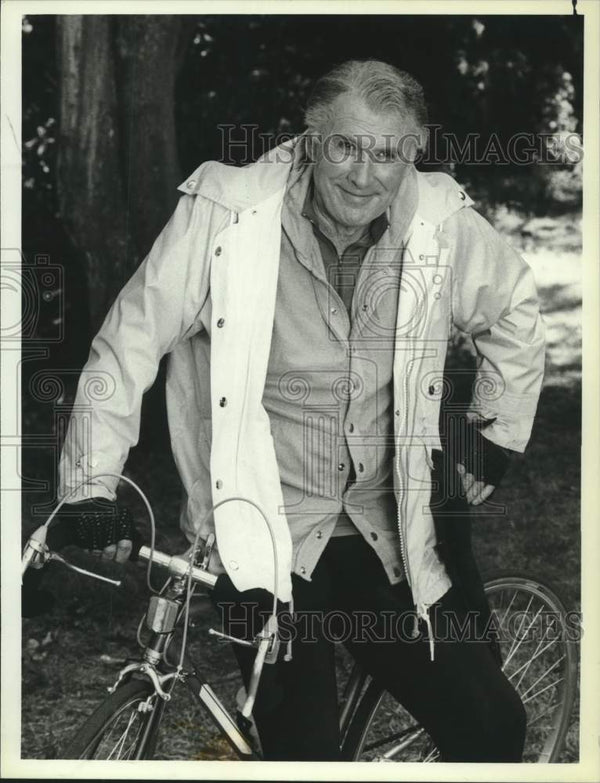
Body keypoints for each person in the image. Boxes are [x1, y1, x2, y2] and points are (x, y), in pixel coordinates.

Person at [56, 60, 545, 761]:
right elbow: (125, 344)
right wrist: (88, 487)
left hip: (390, 533)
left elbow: (516, 311)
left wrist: (491, 440)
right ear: (310, 142)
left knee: (493, 724)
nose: (363, 174)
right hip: (264, 536)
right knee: (304, 753)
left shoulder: (439, 220)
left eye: (387, 154)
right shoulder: (226, 211)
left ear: (412, 155)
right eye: (346, 146)